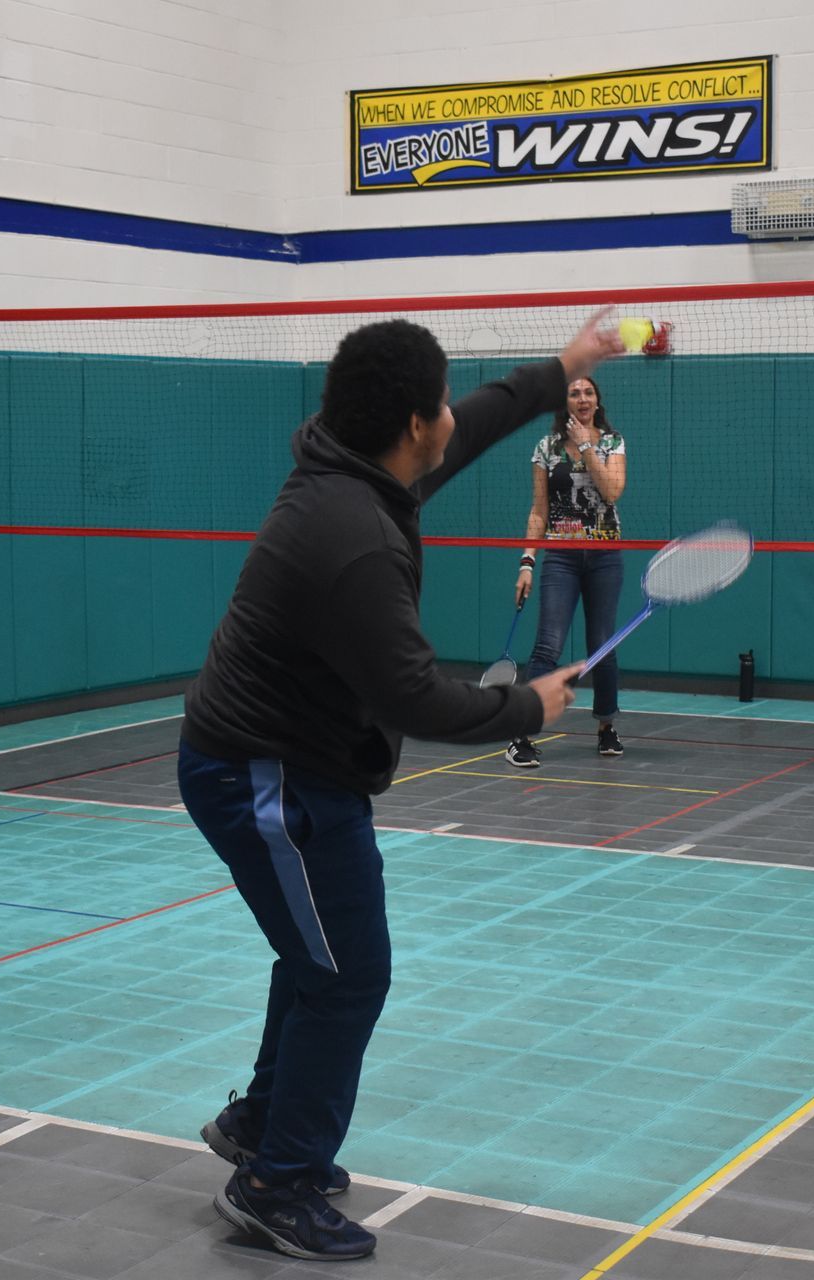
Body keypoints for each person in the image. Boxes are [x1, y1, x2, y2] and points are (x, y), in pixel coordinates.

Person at [178, 310, 622, 1261]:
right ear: (416, 428)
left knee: (325, 960)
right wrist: (527, 710)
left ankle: (264, 1124)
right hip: (265, 772)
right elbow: (414, 697)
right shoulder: (357, 539)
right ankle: (276, 1184)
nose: (455, 419)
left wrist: (565, 367)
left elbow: (485, 414)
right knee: (349, 978)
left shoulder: (354, 462)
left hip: (303, 761)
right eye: (441, 408)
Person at [504, 374, 629, 767]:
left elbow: (611, 491)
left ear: (597, 399)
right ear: (565, 402)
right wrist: (527, 561)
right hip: (561, 556)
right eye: (574, 393)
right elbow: (539, 510)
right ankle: (521, 734)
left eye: (588, 392)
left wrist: (589, 447)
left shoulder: (612, 442)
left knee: (602, 646)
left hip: (605, 555)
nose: (582, 398)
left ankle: (606, 727)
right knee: (548, 646)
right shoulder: (546, 448)